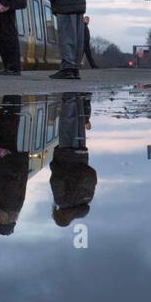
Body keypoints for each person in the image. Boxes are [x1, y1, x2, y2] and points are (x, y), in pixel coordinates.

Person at [51, 93, 96, 226]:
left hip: (82, 156)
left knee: (78, 124)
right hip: (66, 157)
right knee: (67, 123)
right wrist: (54, 165)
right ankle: (70, 96)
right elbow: (57, 180)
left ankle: (78, 97)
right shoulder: (62, 201)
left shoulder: (86, 201)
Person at [0, 95, 29, 235]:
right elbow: (14, 176)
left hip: (5, 156)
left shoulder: (8, 205)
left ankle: (11, 98)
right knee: (5, 126)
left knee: (2, 127)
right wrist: (4, 156)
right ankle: (12, 96)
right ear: (4, 220)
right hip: (6, 155)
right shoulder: (10, 203)